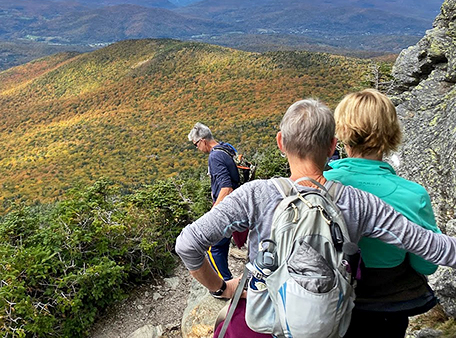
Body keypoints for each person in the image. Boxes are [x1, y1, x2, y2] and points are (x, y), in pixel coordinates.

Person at [176, 99, 456, 337]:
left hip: (266, 322)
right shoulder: (359, 202)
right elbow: (437, 249)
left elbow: (188, 244)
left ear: (280, 142)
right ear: (332, 145)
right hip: (329, 322)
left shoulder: (254, 195)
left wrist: (221, 287)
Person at [324, 89, 439, 337]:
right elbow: (426, 264)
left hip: (324, 307)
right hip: (387, 310)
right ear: (390, 132)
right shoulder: (412, 195)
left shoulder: (318, 185)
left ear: (343, 131)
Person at [188, 122, 241, 281]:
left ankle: (225, 284)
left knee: (213, 247)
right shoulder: (226, 148)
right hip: (237, 203)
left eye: (196, 144)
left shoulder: (215, 156)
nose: (197, 148)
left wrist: (214, 214)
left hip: (227, 207)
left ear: (203, 140)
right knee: (222, 244)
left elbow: (226, 187)